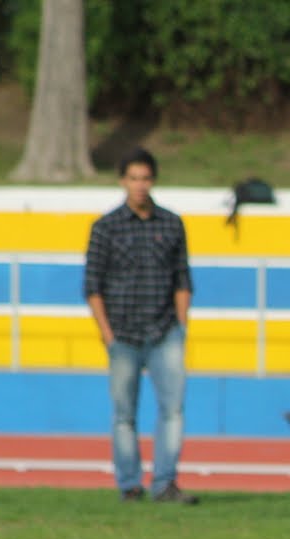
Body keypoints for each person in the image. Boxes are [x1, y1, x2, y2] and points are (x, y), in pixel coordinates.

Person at [83, 146, 197, 505]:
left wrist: (181, 324)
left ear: (153, 180)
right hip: (123, 334)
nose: (140, 185)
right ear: (122, 181)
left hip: (165, 332)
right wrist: (107, 332)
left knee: (172, 410)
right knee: (124, 416)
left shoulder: (171, 223)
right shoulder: (106, 227)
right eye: (133, 178)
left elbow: (182, 278)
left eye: (145, 178)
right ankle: (130, 484)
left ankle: (165, 483)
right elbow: (92, 284)